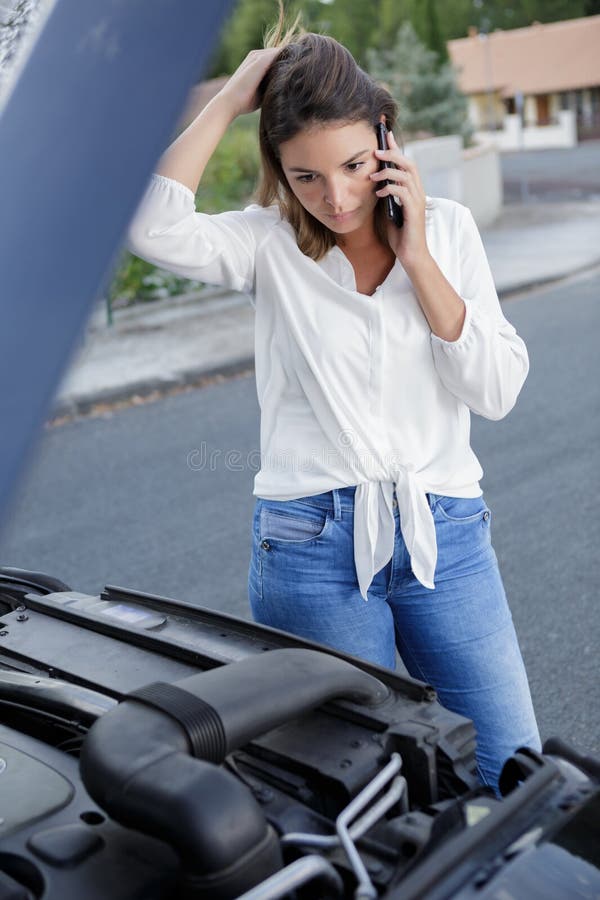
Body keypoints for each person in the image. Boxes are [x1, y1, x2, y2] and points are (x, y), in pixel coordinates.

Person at [126, 16, 542, 795]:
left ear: (385, 136)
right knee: (363, 789)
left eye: (353, 165)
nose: (337, 197)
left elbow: (496, 390)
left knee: (513, 770)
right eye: (306, 177)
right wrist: (232, 96)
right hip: (310, 548)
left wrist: (419, 259)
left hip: (444, 534)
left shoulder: (448, 232)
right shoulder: (265, 244)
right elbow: (149, 223)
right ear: (280, 171)